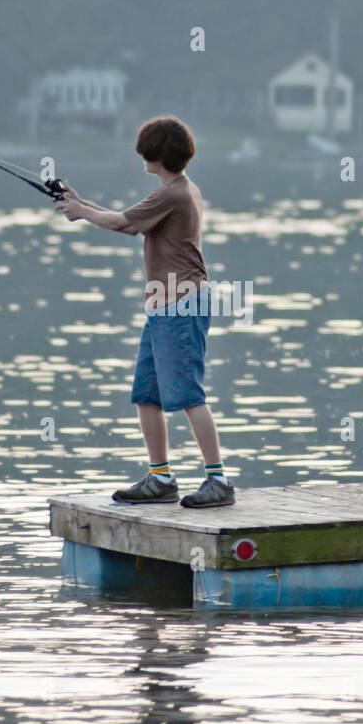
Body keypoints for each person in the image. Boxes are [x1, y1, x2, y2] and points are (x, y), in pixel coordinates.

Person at [54, 116, 234, 508]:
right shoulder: (174, 191)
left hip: (181, 304)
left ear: (157, 154)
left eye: (144, 148)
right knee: (146, 394)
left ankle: (218, 481)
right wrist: (80, 204)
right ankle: (160, 478)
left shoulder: (174, 195)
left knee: (189, 395)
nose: (140, 154)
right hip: (163, 305)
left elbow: (122, 224)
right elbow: (128, 219)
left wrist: (82, 212)